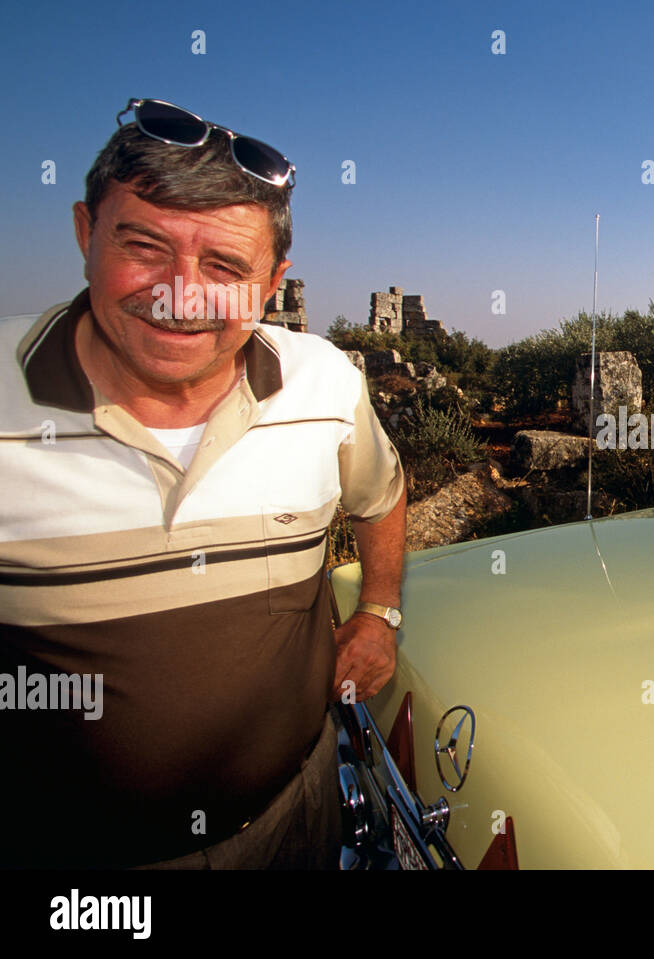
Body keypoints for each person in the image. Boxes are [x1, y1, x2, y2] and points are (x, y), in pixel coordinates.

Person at [0, 98, 406, 868]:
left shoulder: (322, 381)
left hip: (299, 819)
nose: (182, 292)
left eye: (223, 266)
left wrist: (380, 610)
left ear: (273, 281)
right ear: (87, 234)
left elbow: (381, 495)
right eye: (145, 246)